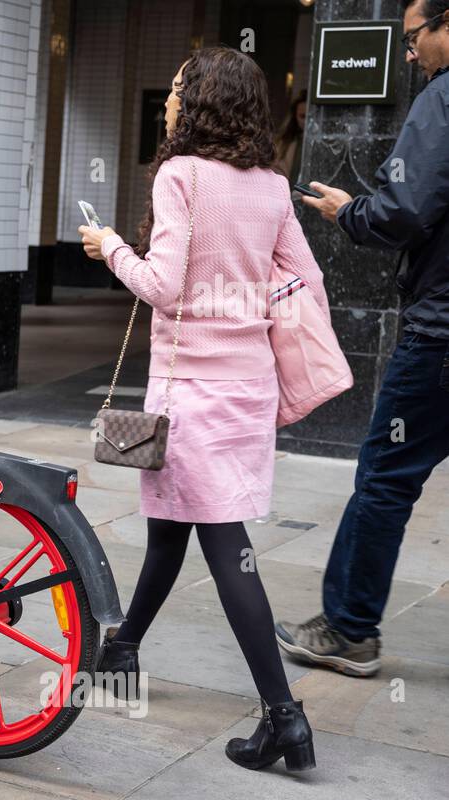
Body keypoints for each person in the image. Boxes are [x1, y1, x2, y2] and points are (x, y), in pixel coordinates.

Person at [79, 47, 327, 773]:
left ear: (203, 103)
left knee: (228, 548)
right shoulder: (272, 188)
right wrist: (244, 295)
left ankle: (285, 718)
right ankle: (122, 649)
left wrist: (109, 245)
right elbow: (303, 280)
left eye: (179, 88)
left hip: (191, 394)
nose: (168, 98)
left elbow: (161, 285)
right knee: (168, 532)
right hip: (247, 389)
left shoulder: (181, 176)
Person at [279, 0, 449, 677]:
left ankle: (350, 629)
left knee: (385, 475)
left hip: (440, 335)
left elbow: (405, 211)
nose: (409, 55)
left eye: (414, 39)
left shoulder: (442, 100)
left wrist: (349, 212)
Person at [272, 90, 307, 182]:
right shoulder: (283, 143)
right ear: (295, 117)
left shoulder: (325, 144)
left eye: (310, 116)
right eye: (302, 116)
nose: (306, 121)